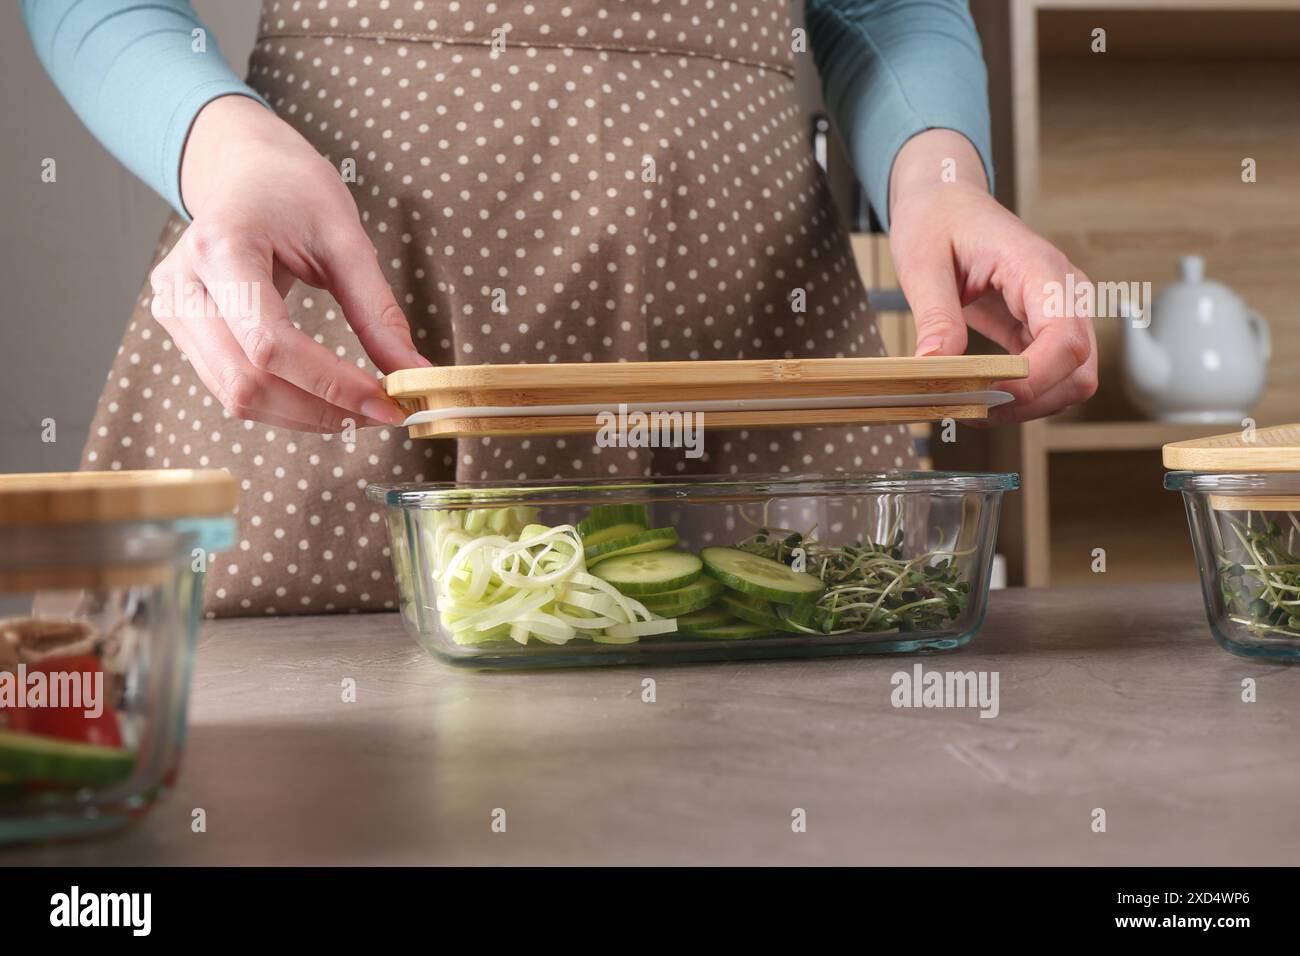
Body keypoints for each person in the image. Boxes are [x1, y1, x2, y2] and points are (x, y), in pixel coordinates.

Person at [24, 0, 1097, 616]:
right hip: (335, 292)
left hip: (742, 318)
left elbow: (882, 6)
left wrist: (939, 176)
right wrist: (220, 149)